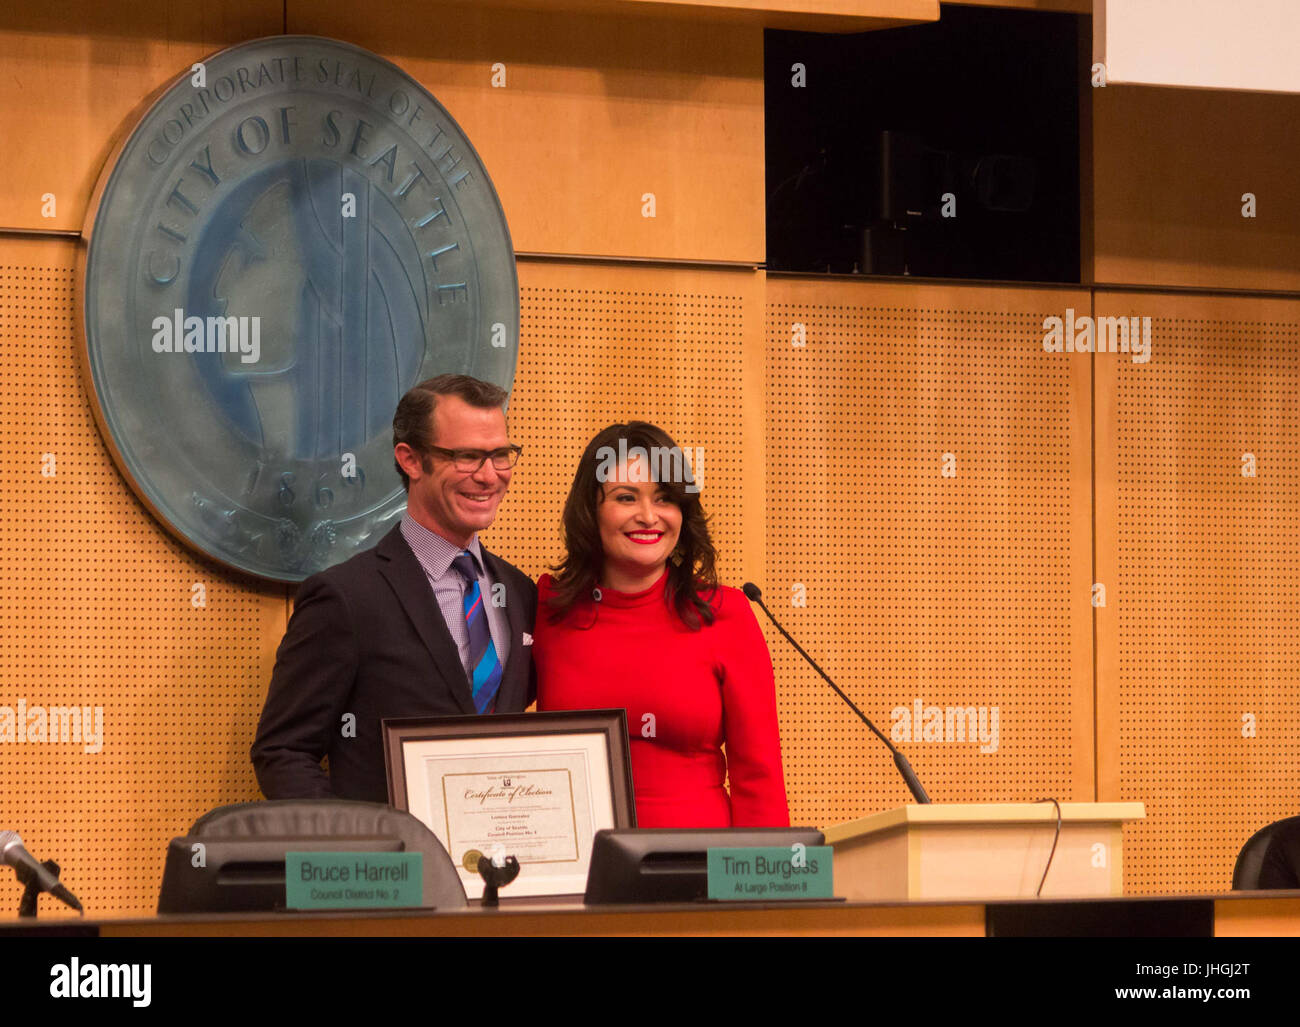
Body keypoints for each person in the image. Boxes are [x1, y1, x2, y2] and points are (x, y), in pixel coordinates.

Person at [251, 374, 537, 803]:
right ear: (411, 460)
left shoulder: (520, 593)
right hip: (394, 865)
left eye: (500, 454)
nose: (489, 476)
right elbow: (283, 752)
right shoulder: (346, 597)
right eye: (467, 456)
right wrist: (356, 852)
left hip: (503, 860)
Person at [534, 421, 788, 828]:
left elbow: (759, 778)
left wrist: (762, 886)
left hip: (700, 868)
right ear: (590, 511)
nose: (649, 517)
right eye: (626, 497)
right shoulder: (548, 607)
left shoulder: (727, 613)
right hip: (576, 868)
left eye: (665, 499)